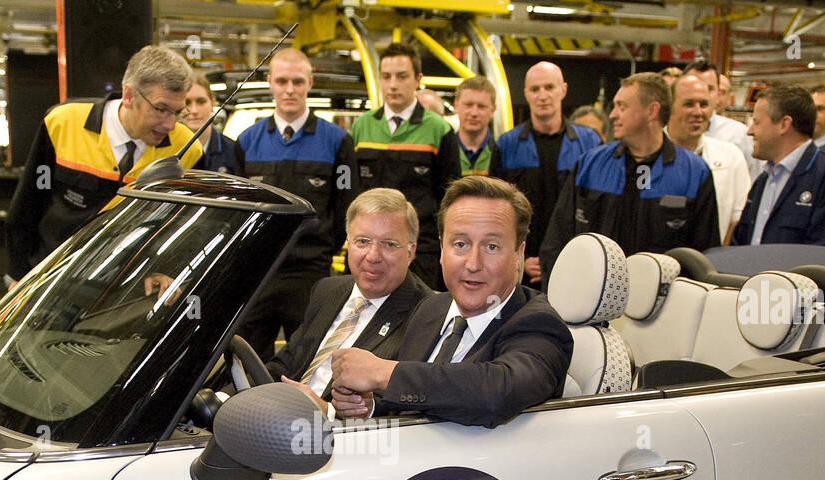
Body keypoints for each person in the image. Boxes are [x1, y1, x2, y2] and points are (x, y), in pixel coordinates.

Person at [329, 176, 572, 428]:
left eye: (491, 246)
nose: (473, 264)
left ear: (517, 254)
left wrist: (382, 373)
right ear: (442, 251)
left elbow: (495, 395)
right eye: (460, 244)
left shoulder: (540, 324)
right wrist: (370, 408)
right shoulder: (432, 308)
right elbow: (422, 398)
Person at [5, 45, 202, 282]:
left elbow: (180, 223)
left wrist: (164, 267)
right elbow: (27, 206)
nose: (170, 124)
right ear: (129, 96)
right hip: (52, 281)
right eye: (161, 109)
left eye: (177, 112)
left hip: (123, 288)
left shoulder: (186, 148)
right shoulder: (63, 123)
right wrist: (19, 276)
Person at [235, 48, 358, 357]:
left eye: (297, 82)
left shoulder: (336, 141)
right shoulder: (247, 141)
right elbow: (239, 209)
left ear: (310, 82)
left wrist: (325, 248)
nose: (289, 90)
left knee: (306, 359)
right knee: (247, 357)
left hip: (309, 273)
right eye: (282, 81)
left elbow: (347, 205)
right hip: (259, 272)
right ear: (270, 83)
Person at [540, 72, 718, 271]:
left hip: (663, 298)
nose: (612, 115)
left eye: (622, 106)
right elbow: (556, 242)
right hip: (594, 297)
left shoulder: (694, 173)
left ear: (652, 111)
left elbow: (705, 258)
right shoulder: (589, 165)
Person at [271, 189, 430, 404]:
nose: (373, 256)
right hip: (279, 414)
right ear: (348, 243)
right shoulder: (327, 290)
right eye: (363, 241)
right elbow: (285, 365)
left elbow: (400, 405)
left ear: (411, 252)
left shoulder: (426, 315)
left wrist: (327, 411)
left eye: (389, 244)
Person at [352, 42, 461, 288]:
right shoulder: (362, 127)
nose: (392, 84)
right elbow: (353, 191)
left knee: (420, 316)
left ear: (418, 79)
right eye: (386, 76)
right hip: (373, 250)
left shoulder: (439, 130)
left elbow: (450, 198)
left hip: (421, 249)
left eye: (402, 76)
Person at [492, 61, 601, 285]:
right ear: (525, 94)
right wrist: (520, 256)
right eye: (535, 89)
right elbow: (497, 210)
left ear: (563, 90)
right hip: (522, 266)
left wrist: (559, 258)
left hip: (574, 263)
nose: (542, 95)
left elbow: (594, 209)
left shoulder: (590, 143)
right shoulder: (507, 145)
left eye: (549, 87)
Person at [732, 84, 825, 248]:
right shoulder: (764, 180)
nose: (749, 131)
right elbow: (740, 242)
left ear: (784, 125)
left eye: (756, 122)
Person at [667, 74, 751, 244]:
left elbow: (738, 219)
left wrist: (717, 261)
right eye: (688, 104)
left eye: (704, 105)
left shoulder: (731, 156)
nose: (698, 112)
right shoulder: (646, 157)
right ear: (669, 107)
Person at [682, 59, 759, 178]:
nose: (701, 94)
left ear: (718, 93)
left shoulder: (740, 135)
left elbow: (754, 183)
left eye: (709, 88)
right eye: (694, 88)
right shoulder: (665, 132)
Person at [181, 70, 243, 175]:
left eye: (201, 102)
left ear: (212, 103)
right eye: (187, 102)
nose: (194, 110)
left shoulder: (234, 152)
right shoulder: (166, 151)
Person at [451, 76, 498, 175]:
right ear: (456, 106)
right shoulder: (443, 152)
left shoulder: (503, 152)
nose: (474, 113)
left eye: (481, 106)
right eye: (468, 105)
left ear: (492, 110)